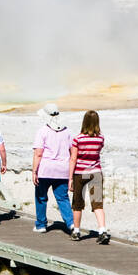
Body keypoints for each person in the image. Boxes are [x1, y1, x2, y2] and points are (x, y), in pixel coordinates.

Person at [32, 103, 74, 234]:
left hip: (45, 169)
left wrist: (34, 171)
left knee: (41, 197)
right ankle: (71, 223)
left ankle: (41, 225)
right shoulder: (67, 131)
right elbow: (73, 152)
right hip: (63, 170)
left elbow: (38, 153)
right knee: (62, 198)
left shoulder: (42, 131)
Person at [69, 110, 109, 243]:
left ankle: (76, 231)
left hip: (80, 173)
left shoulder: (78, 139)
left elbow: (73, 159)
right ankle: (102, 230)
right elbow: (98, 152)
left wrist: (70, 178)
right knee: (97, 203)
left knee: (77, 203)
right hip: (96, 172)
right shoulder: (100, 138)